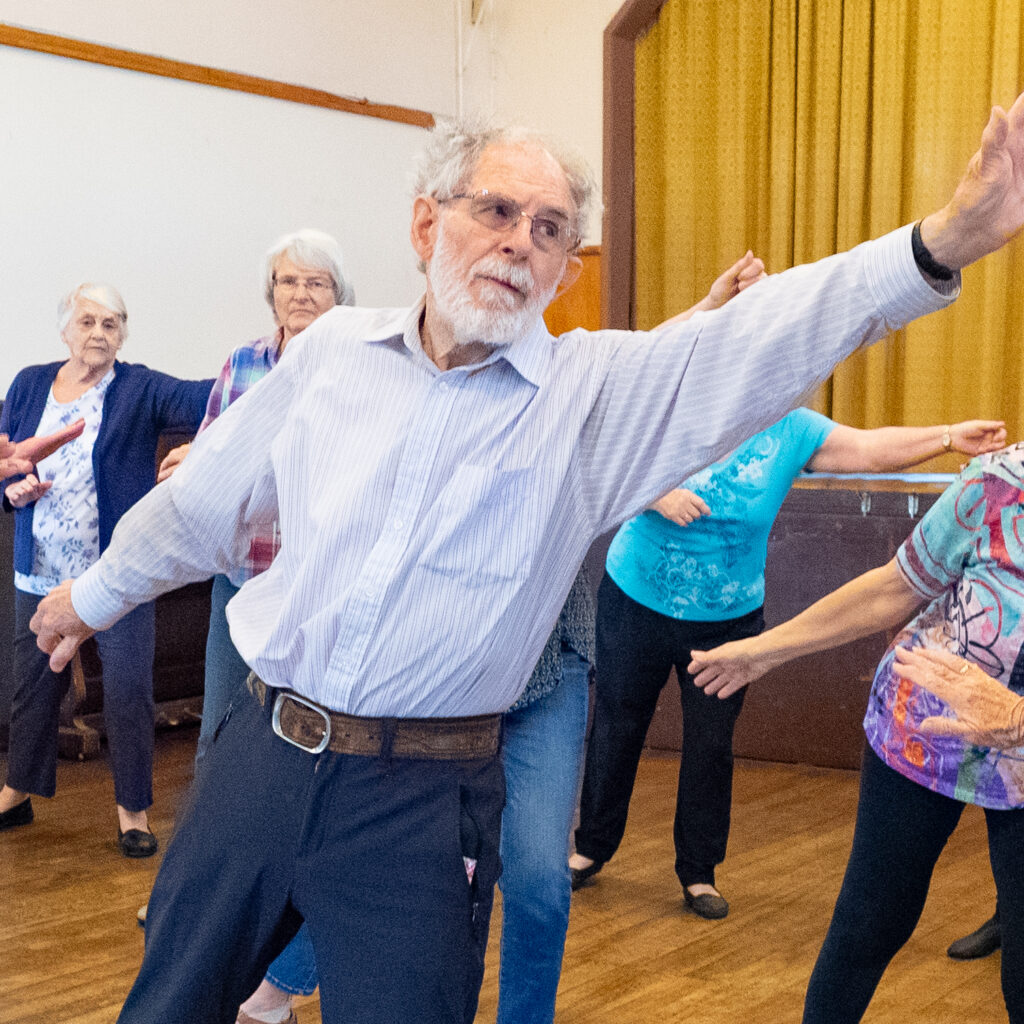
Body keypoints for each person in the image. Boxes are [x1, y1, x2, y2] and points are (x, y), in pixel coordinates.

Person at [27, 98, 1024, 1024]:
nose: (519, 242)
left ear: (566, 269)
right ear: (425, 227)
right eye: (496, 210)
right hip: (261, 755)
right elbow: (209, 498)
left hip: (418, 804)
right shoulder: (330, 352)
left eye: (549, 229)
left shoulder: (593, 397)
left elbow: (770, 331)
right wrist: (91, 595)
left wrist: (942, 242)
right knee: (165, 1006)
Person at [569, 413, 1006, 917]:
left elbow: (867, 447)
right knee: (616, 725)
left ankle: (698, 874)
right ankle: (592, 847)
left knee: (711, 744)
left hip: (726, 621)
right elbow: (599, 456)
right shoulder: (676, 399)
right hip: (636, 596)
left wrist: (948, 436)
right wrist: (651, 494)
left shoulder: (791, 428)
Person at [688, 440, 1024, 1022]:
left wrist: (1016, 719)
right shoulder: (999, 482)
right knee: (870, 924)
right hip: (925, 724)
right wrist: (764, 653)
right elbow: (896, 587)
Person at [155, 229, 355, 1024]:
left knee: (307, 762)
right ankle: (209, 910)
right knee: (220, 745)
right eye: (288, 282)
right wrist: (193, 464)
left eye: (317, 283)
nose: (301, 295)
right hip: (242, 587)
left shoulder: (357, 362)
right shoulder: (243, 364)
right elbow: (215, 448)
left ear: (339, 293)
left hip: (315, 595)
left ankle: (285, 925)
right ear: (270, 291)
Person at [0, 283, 211, 854]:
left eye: (112, 323)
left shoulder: (138, 388)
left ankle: (133, 812)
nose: (100, 333)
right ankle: (16, 792)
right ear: (65, 329)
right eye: (88, 321)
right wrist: (11, 492)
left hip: (117, 578)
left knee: (127, 689)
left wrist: (276, 359)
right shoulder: (27, 384)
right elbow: (7, 462)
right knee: (32, 690)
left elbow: (207, 399)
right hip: (39, 569)